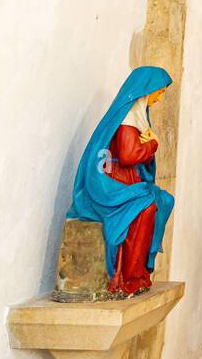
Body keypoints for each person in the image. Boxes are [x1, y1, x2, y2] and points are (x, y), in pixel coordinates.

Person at [67, 66, 175, 298]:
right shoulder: (128, 120)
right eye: (158, 92)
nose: (159, 97)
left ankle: (139, 270)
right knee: (146, 208)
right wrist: (153, 144)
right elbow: (128, 156)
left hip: (125, 182)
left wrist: (147, 146)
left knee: (163, 199)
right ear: (146, 90)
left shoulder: (137, 117)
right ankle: (129, 277)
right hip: (110, 187)